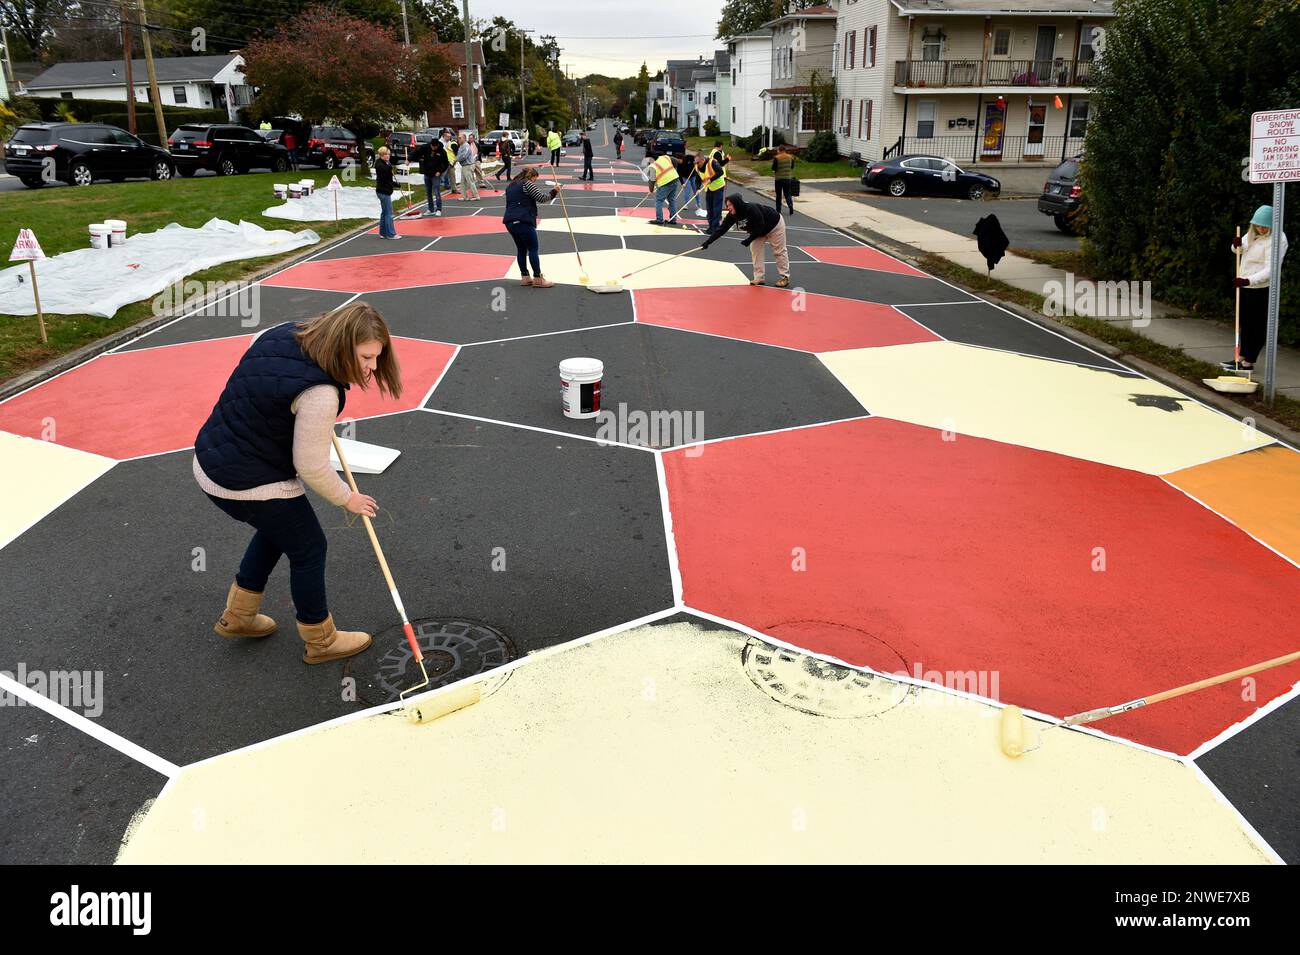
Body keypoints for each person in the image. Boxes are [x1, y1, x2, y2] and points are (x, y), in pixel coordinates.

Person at [194, 303, 402, 665]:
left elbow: (266, 391)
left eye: (376, 358)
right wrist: (347, 499)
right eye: (367, 357)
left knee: (279, 530)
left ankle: (239, 616)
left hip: (211, 460)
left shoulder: (282, 333)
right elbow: (310, 466)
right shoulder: (320, 393)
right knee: (309, 547)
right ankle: (321, 640)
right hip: (249, 480)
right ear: (343, 343)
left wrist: (303, 419)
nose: (371, 368)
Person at [1224, 205, 1289, 372]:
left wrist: (1248, 280)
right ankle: (1240, 358)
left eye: (1264, 226)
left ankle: (1248, 362)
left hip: (1260, 288)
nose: (1261, 229)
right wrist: (1235, 245)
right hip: (1245, 285)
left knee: (1257, 325)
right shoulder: (1253, 233)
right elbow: (1239, 250)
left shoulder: (1278, 239)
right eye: (1258, 226)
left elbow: (1271, 269)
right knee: (1244, 322)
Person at [700, 193, 790, 288]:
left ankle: (785, 277)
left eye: (730, 205)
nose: (728, 207)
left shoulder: (751, 209)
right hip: (758, 230)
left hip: (774, 225)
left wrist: (749, 239)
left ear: (737, 203)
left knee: (778, 251)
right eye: (727, 205)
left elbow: (760, 225)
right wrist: (708, 242)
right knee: (755, 249)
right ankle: (759, 277)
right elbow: (722, 229)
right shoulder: (732, 215)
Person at [503, 167, 559, 289]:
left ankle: (525, 277)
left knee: (521, 249)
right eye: (535, 179)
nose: (534, 182)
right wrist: (554, 191)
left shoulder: (511, 186)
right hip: (523, 220)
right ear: (531, 176)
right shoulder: (527, 183)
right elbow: (542, 198)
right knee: (533, 249)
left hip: (509, 221)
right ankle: (538, 278)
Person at [697, 150, 728, 232]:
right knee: (709, 208)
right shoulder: (697, 167)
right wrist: (697, 189)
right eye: (695, 163)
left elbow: (720, 172)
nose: (697, 165)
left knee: (716, 207)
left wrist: (711, 179)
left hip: (718, 187)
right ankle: (711, 225)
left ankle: (715, 227)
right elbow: (698, 179)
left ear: (702, 160)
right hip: (708, 188)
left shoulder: (712, 162)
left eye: (698, 163)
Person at [417, 133, 447, 217]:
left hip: (436, 175)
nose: (434, 148)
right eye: (432, 146)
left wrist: (440, 171)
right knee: (428, 192)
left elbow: (445, 164)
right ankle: (430, 209)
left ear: (437, 145)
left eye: (435, 147)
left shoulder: (442, 152)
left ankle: (439, 209)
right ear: (430, 145)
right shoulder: (426, 148)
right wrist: (409, 159)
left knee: (437, 192)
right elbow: (417, 152)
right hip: (427, 174)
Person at [647, 151, 679, 225]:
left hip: (665, 183)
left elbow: (651, 180)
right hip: (675, 178)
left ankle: (659, 219)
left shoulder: (652, 166)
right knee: (672, 200)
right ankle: (673, 219)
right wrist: (673, 170)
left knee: (659, 200)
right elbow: (676, 161)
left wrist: (651, 190)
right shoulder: (665, 157)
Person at [374, 146, 398, 238]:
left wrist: (395, 184)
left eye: (388, 154)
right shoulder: (380, 165)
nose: (387, 156)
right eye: (385, 154)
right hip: (383, 191)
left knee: (384, 212)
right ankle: (390, 234)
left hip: (384, 190)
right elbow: (385, 176)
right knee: (389, 213)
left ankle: (383, 233)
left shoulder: (385, 163)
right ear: (381, 155)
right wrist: (390, 167)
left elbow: (388, 178)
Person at [772, 143, 796, 215]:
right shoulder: (790, 157)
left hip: (778, 179)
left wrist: (774, 171)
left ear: (779, 150)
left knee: (778, 195)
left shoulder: (777, 158)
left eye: (777, 150)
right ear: (785, 150)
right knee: (787, 194)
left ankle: (778, 210)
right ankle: (790, 205)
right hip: (787, 178)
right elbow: (792, 167)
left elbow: (774, 168)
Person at [456, 132, 479, 201]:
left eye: (460, 138)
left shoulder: (466, 146)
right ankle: (464, 196)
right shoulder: (461, 146)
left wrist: (456, 159)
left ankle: (476, 196)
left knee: (470, 181)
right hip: (464, 166)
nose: (458, 139)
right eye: (458, 138)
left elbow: (464, 156)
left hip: (468, 165)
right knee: (462, 182)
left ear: (464, 138)